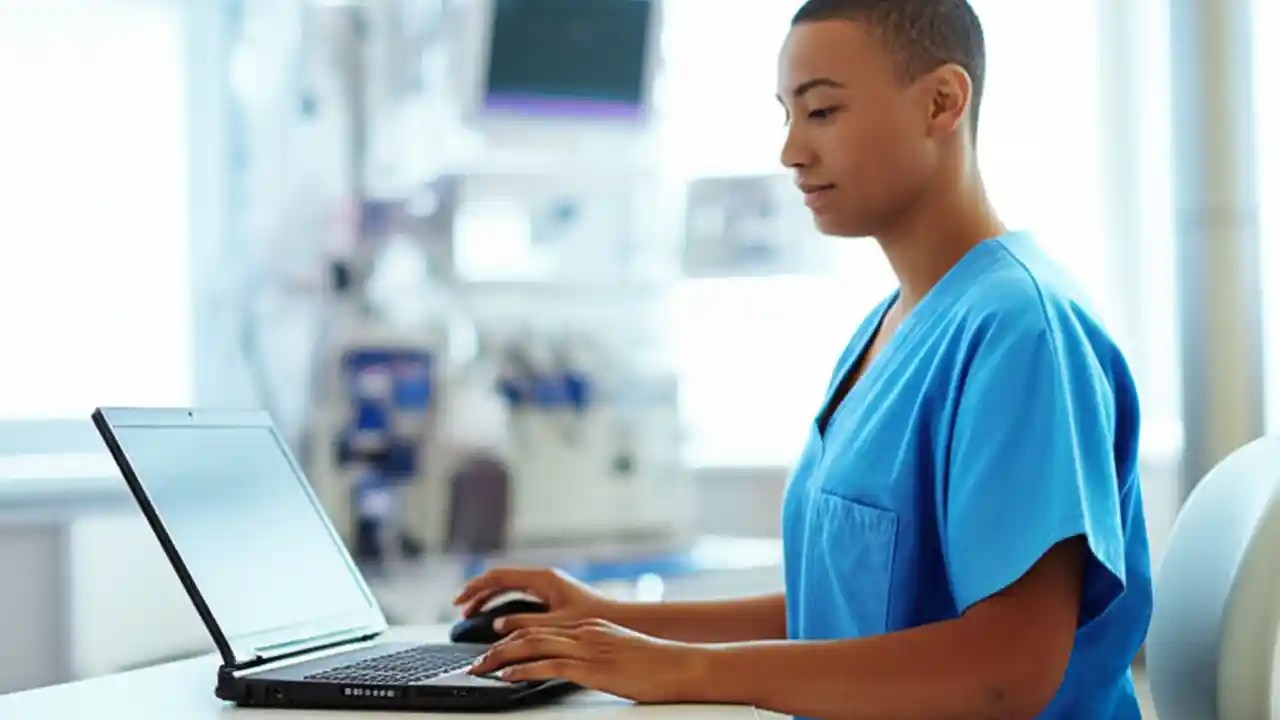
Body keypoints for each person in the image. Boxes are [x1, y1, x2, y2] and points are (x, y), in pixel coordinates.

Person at [460, 0, 1153, 717]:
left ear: (942, 102)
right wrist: (614, 620)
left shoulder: (1021, 333)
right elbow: (847, 614)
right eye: (787, 115)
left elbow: (1003, 670)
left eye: (822, 112)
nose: (792, 149)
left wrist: (687, 672)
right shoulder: (887, 329)